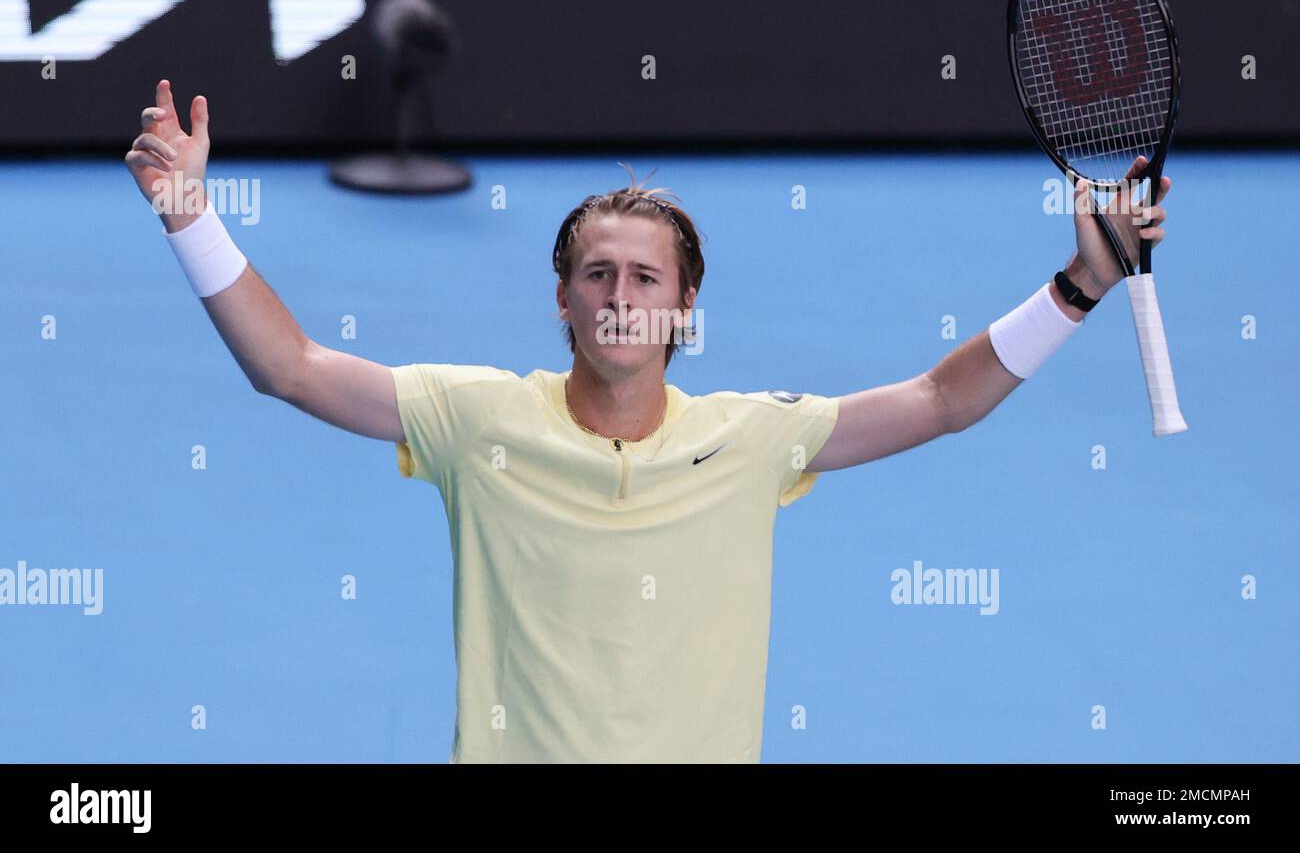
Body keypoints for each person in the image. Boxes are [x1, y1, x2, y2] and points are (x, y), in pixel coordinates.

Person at [124, 79, 1171, 763]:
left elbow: (944, 399)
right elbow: (291, 367)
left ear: (682, 308)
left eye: (643, 275)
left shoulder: (755, 437)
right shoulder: (473, 419)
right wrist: (189, 214)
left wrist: (1077, 287)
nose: (619, 292)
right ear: (562, 300)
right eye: (595, 272)